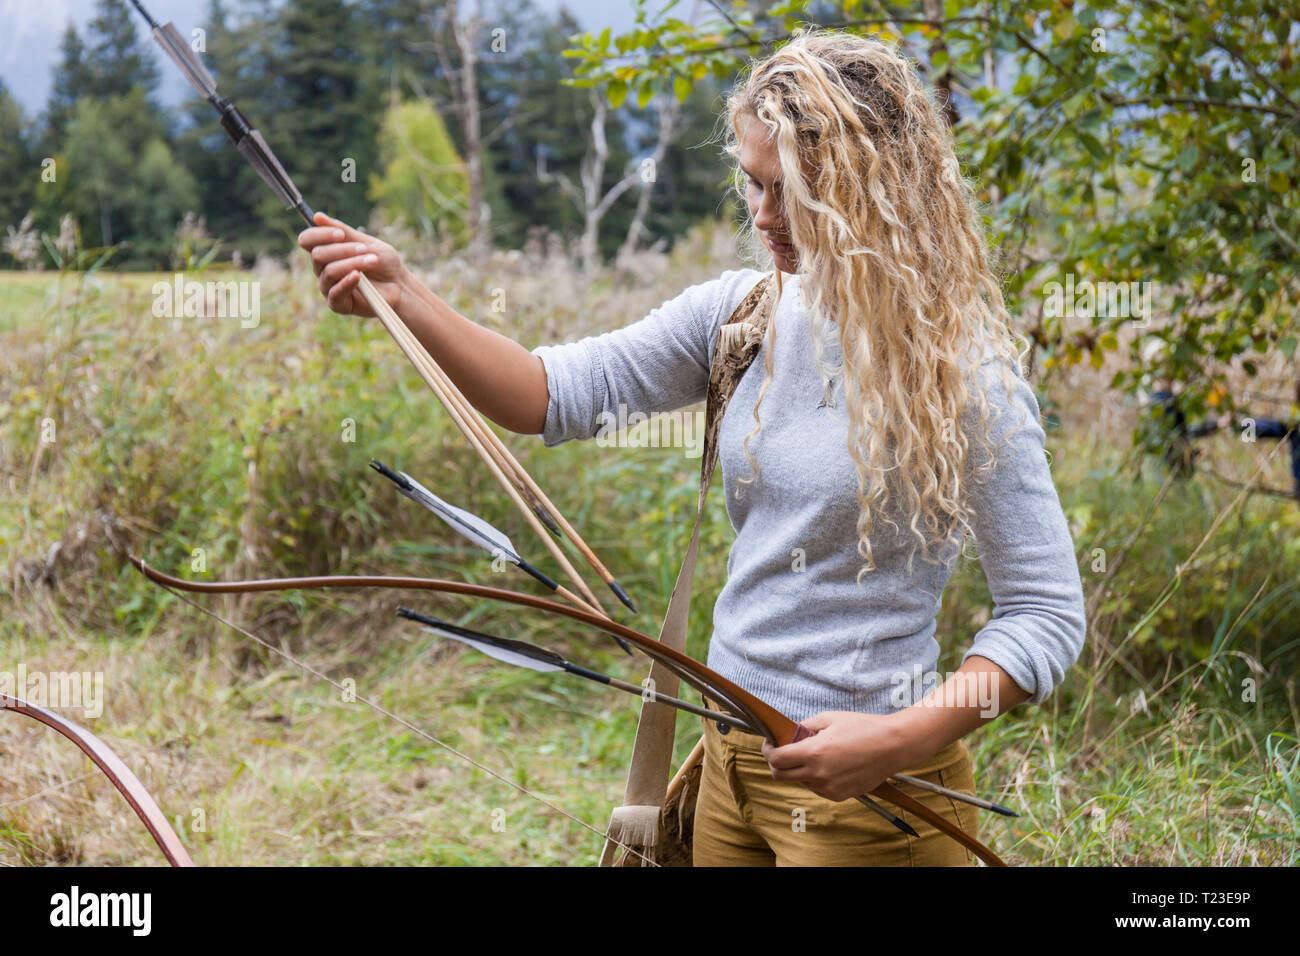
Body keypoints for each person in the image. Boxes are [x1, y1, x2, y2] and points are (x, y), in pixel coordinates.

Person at [297, 28, 1087, 866]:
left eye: (794, 192)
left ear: (871, 189)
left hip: (867, 803)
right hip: (725, 766)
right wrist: (405, 291)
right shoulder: (740, 315)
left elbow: (1044, 612)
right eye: (752, 183)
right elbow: (548, 394)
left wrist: (898, 737)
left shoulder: (960, 372)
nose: (764, 216)